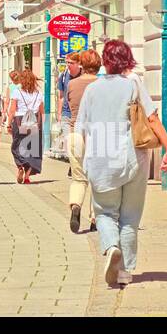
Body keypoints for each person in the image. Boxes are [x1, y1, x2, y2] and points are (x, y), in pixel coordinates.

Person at [76, 38, 167, 287]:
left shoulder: (92, 90)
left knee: (105, 213)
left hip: (100, 160)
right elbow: (152, 119)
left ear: (105, 61)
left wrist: (83, 158)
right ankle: (126, 271)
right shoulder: (133, 84)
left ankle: (110, 247)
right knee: (130, 217)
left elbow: (82, 129)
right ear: (127, 60)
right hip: (132, 159)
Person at [66, 49, 101, 233]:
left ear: (82, 65)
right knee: (97, 179)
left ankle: (75, 206)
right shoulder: (102, 85)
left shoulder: (71, 84)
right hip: (97, 136)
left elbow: (69, 105)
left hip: (75, 134)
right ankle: (95, 218)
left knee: (79, 178)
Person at [5, 69, 44, 183]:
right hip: (34, 120)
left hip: (20, 120)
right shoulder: (39, 93)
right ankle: (27, 176)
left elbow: (12, 110)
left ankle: (20, 165)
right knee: (33, 149)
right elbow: (42, 111)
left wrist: (8, 124)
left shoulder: (17, 92)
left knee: (17, 146)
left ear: (22, 80)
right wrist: (41, 125)